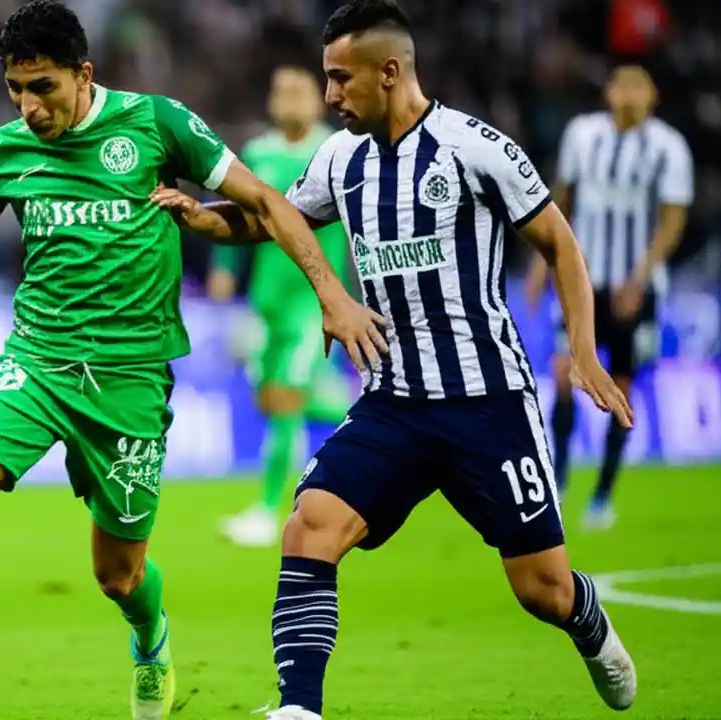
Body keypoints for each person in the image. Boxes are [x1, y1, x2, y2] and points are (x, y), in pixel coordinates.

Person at [0, 2, 386, 718]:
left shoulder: (157, 124)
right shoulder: (0, 154)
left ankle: (150, 637)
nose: (29, 107)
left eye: (44, 87)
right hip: (36, 363)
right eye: (16, 90)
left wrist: (332, 295)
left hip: (130, 379)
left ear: (83, 75)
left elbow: (268, 204)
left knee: (118, 576)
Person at [150, 1, 636, 717]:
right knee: (310, 524)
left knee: (542, 590)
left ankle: (586, 615)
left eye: (341, 80)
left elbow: (559, 244)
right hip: (394, 402)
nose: (330, 96)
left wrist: (585, 352)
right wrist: (206, 221)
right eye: (325, 79)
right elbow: (270, 220)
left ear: (391, 70)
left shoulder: (476, 149)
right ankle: (299, 707)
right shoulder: (340, 160)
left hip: (487, 401)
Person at [525, 64, 693, 530]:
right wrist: (542, 265)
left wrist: (640, 277)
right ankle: (557, 480)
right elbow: (560, 203)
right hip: (583, 280)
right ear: (608, 91)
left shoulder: (668, 147)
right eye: (621, 85)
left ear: (653, 94)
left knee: (621, 388)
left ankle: (602, 495)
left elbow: (672, 221)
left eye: (638, 85)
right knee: (562, 373)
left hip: (635, 290)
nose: (628, 95)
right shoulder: (583, 134)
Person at [209, 66, 353, 548]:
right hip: (267, 300)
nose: (288, 99)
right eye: (280, 91)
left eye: (298, 91)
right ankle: (383, 422)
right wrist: (225, 266)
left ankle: (270, 511)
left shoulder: (335, 150)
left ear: (319, 101)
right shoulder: (257, 152)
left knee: (288, 400)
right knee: (272, 400)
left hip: (309, 302)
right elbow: (237, 212)